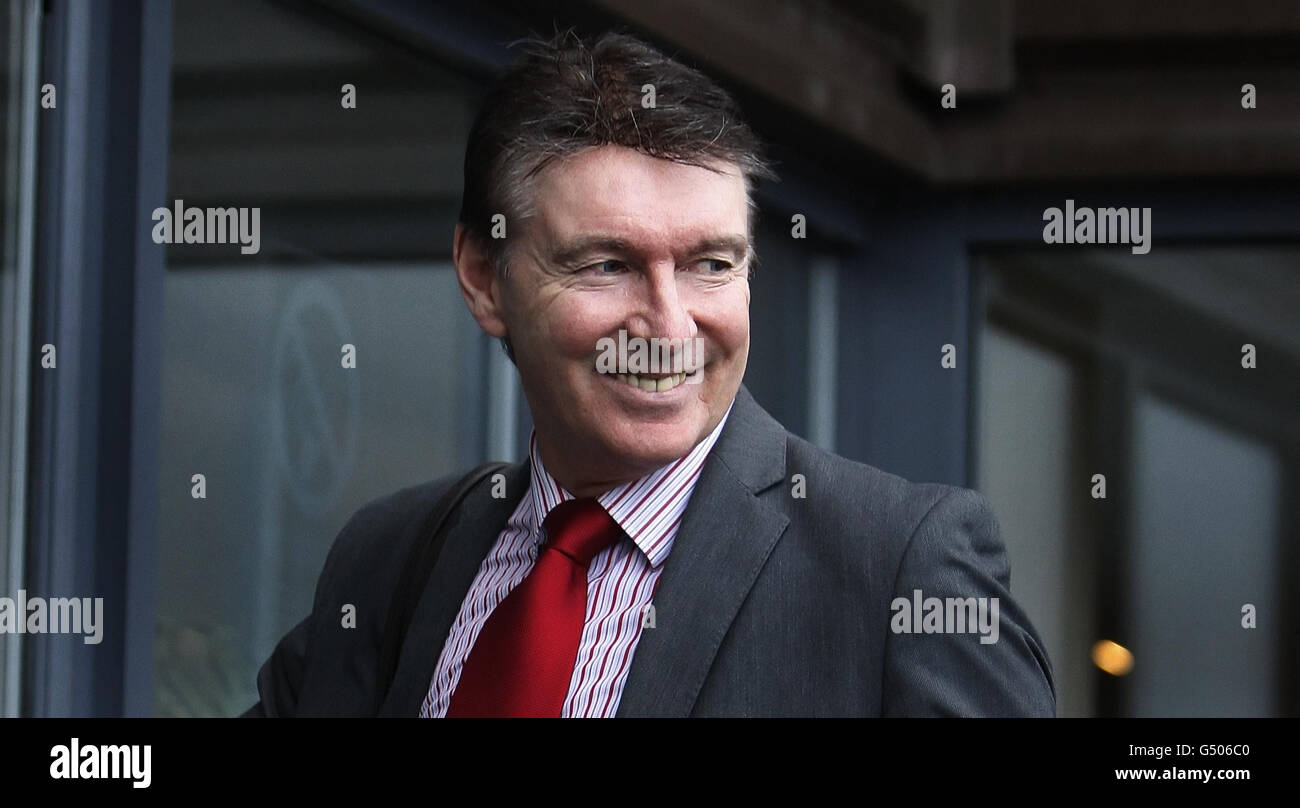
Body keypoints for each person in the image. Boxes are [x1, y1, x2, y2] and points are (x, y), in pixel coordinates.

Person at [244, 30, 1055, 718]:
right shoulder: (392, 561)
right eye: (606, 264)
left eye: (709, 264)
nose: (669, 325)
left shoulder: (896, 569)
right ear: (485, 277)